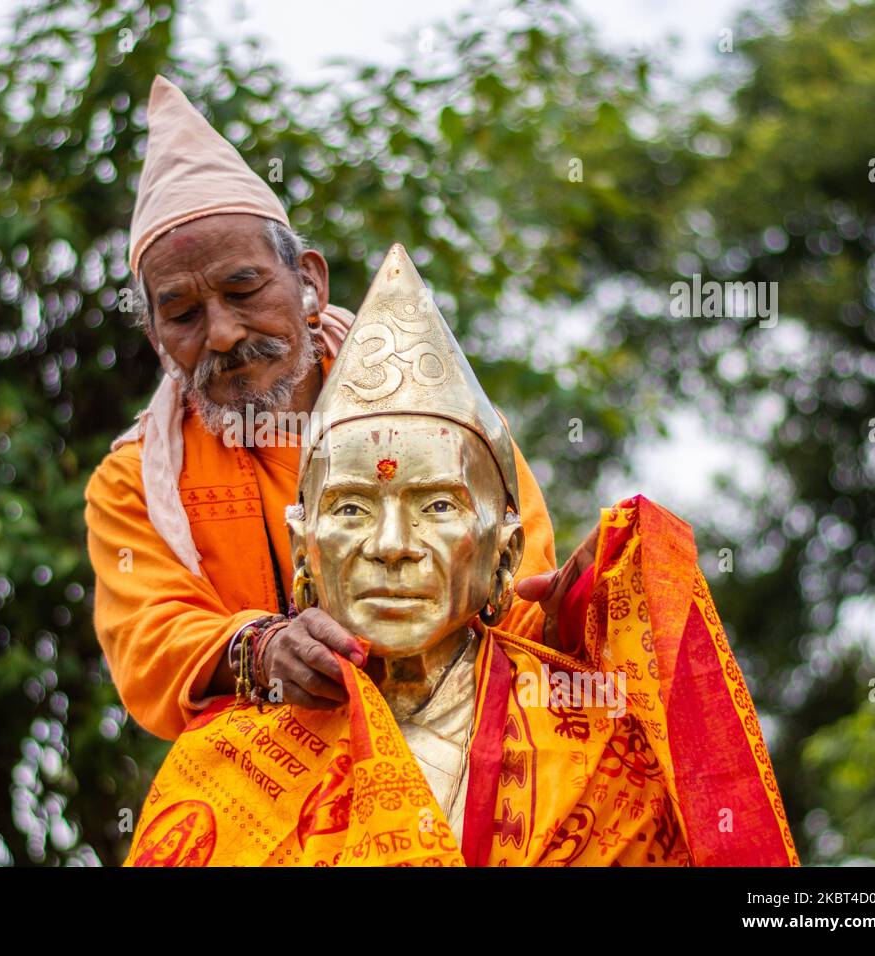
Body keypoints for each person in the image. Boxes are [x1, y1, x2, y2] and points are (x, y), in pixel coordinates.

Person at [122, 246, 798, 866]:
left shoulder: (599, 745)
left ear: (505, 554)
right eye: (351, 508)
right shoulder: (227, 766)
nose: (390, 547)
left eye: (438, 506)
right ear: (305, 551)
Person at [85, 76, 595, 743]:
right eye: (182, 313)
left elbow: (520, 586)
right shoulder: (132, 483)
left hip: (473, 750)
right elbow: (148, 641)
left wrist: (577, 606)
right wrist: (263, 651)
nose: (222, 335)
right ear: (155, 339)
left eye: (244, 290)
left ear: (309, 282)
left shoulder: (437, 409)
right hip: (263, 788)